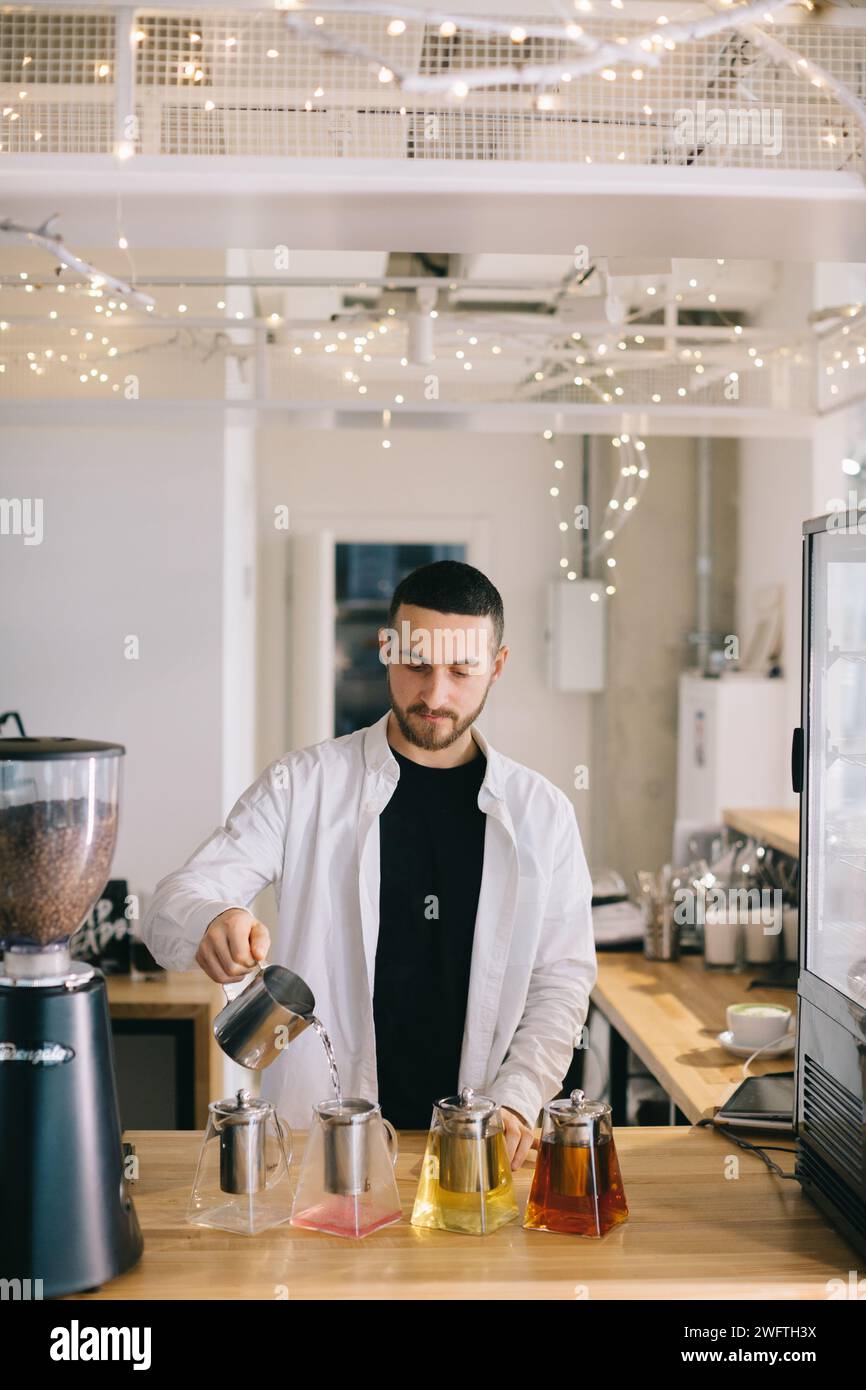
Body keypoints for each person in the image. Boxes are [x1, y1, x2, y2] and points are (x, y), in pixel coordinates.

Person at [141, 560, 597, 1167]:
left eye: (462, 671)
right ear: (387, 650)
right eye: (416, 666)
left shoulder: (544, 813)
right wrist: (212, 918)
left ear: (498, 666)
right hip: (323, 1152)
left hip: (480, 1146)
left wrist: (517, 1099)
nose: (436, 695)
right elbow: (173, 903)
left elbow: (562, 979)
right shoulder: (303, 785)